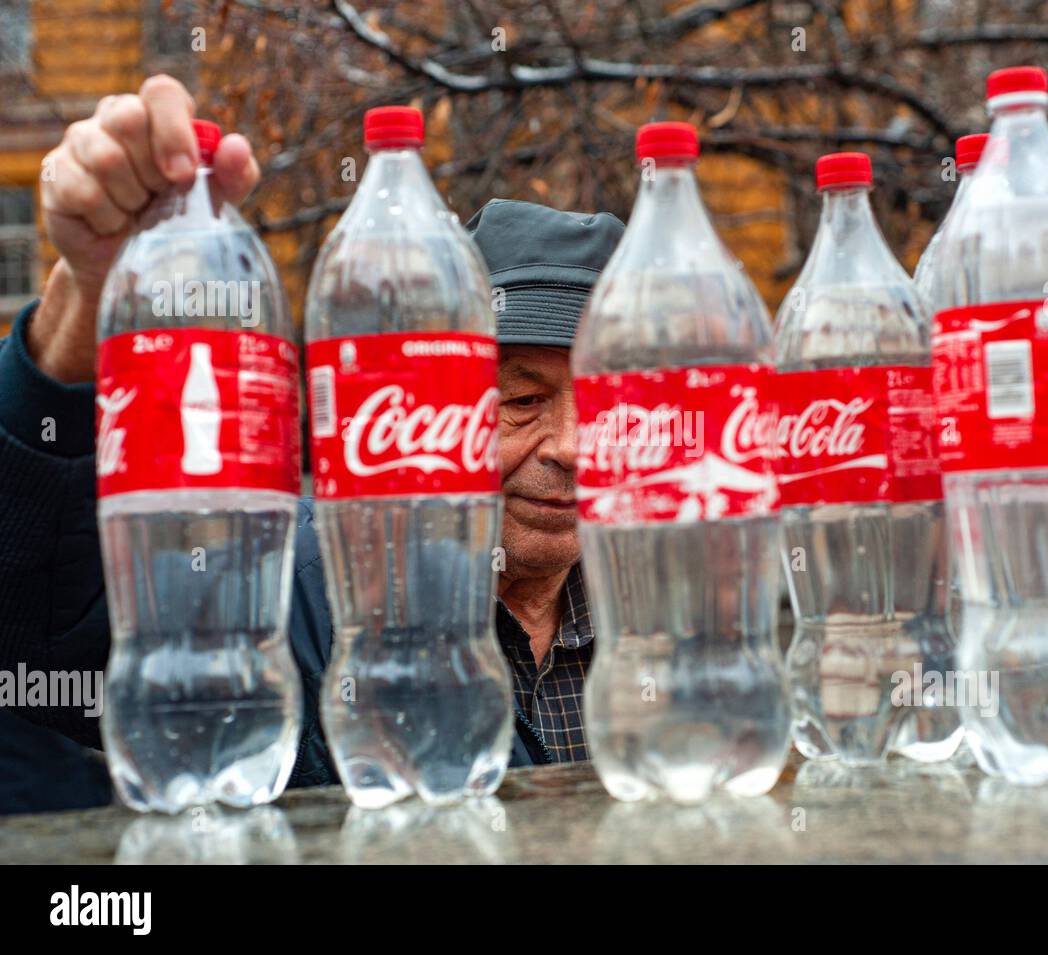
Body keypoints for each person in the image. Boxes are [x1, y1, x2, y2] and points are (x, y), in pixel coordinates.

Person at [0, 75, 623, 806]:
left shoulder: (661, 600)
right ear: (418, 408)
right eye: (522, 399)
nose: (575, 447)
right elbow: (35, 629)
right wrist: (90, 299)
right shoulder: (280, 581)